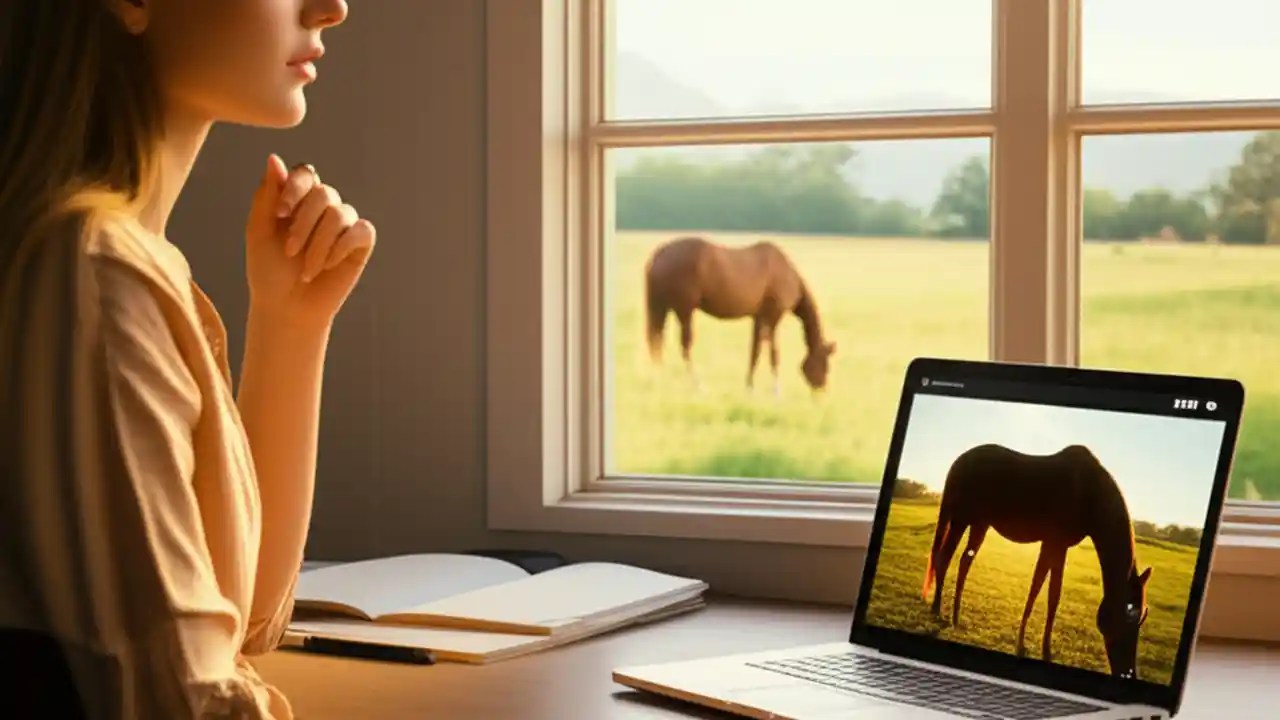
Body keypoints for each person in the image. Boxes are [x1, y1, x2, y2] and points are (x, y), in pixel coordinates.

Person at [0, 1, 371, 717]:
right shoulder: (96, 271)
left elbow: (247, 619)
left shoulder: (119, 262)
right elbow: (184, 697)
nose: (331, 8)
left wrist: (292, 325)